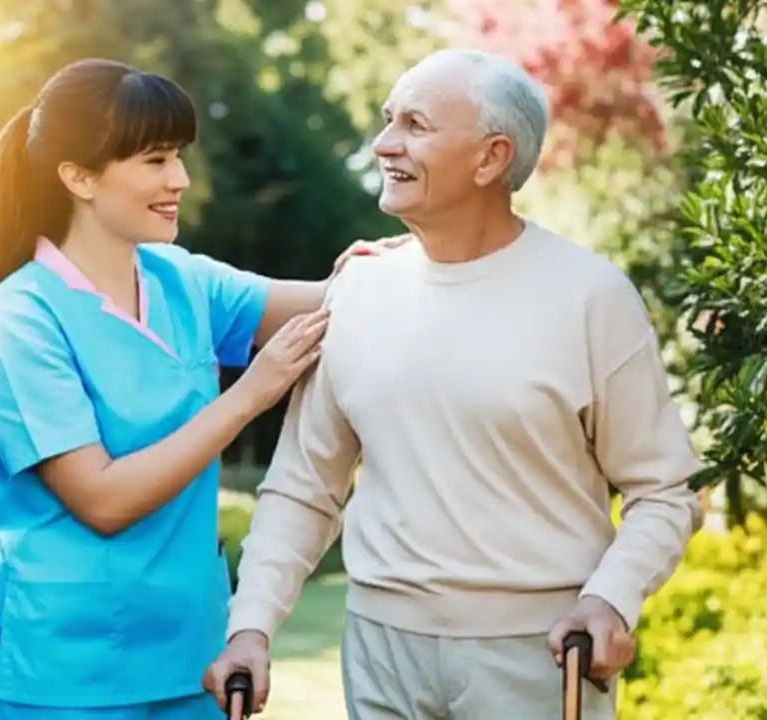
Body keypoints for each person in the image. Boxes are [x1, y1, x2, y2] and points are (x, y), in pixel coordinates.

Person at [204, 49, 705, 720]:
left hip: (539, 656)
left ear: (491, 158)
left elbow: (666, 487)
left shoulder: (590, 298)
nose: (385, 144)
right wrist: (251, 626)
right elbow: (304, 486)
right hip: (380, 652)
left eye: (415, 123)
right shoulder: (357, 291)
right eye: (388, 120)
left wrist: (610, 597)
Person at [0, 58, 387, 719]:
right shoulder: (21, 319)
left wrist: (397, 269)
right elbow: (101, 498)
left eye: (179, 156)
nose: (179, 179)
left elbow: (334, 308)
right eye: (155, 160)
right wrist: (249, 396)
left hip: (193, 658)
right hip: (62, 671)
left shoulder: (181, 281)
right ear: (78, 176)